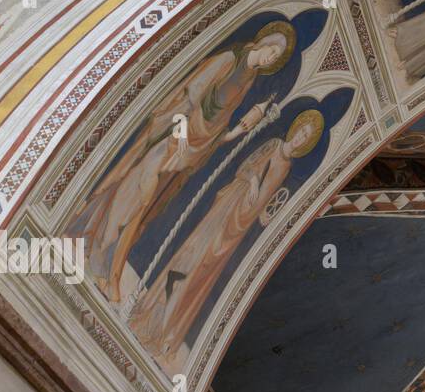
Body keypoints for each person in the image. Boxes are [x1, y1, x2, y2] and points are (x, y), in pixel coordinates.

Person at [70, 21, 294, 302]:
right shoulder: (228, 59)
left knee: (147, 207)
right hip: (175, 135)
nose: (271, 58)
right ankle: (97, 244)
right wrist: (183, 128)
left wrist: (237, 132)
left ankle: (107, 261)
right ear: (263, 43)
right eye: (272, 51)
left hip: (192, 149)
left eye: (275, 58)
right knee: (138, 192)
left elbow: (217, 123)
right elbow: (192, 92)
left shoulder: (248, 81)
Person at [129, 109, 326, 370]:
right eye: (302, 131)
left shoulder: (287, 167)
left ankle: (167, 329)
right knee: (191, 258)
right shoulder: (275, 145)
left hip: (241, 227)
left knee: (203, 275)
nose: (301, 138)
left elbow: (268, 199)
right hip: (229, 208)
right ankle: (152, 315)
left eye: (307, 137)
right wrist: (254, 180)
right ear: (295, 129)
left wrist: (264, 217)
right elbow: (247, 166)